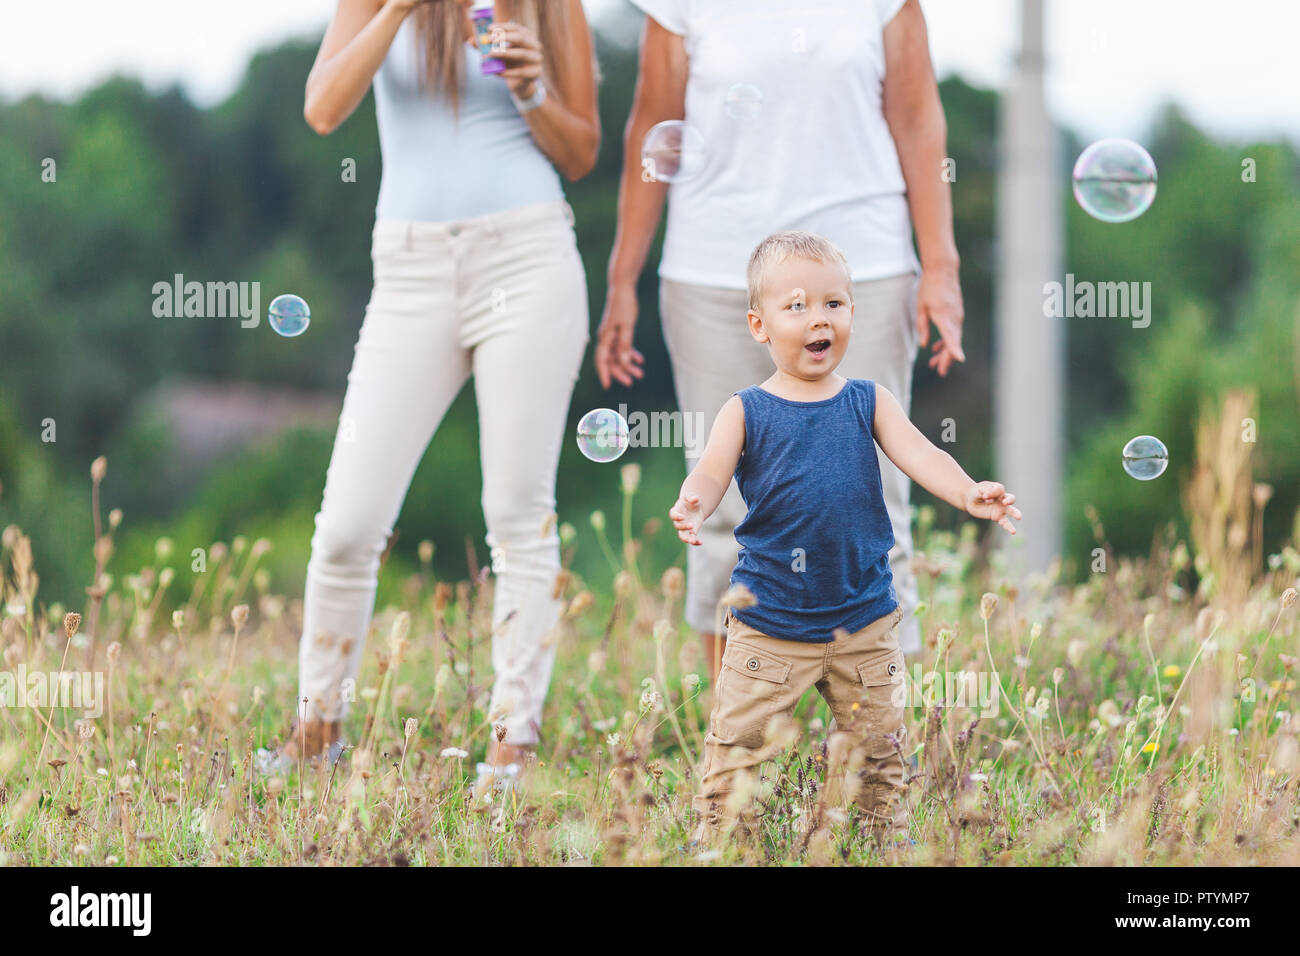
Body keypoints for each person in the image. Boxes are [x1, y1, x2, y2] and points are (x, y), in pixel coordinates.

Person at [266, 0, 600, 786]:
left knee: (518, 514)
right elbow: (322, 108)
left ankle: (512, 745)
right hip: (410, 268)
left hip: (527, 256)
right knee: (347, 524)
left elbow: (581, 150)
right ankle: (318, 732)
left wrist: (532, 92)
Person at [599, 0, 965, 678]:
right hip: (716, 275)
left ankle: (873, 741)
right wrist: (622, 276)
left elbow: (917, 118)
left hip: (863, 273)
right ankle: (739, 745)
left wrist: (940, 266)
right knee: (720, 516)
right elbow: (652, 126)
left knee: (873, 502)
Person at [668, 231, 1019, 843]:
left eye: (833, 303)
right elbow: (712, 468)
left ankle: (885, 845)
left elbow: (921, 453)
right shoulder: (746, 409)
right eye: (796, 305)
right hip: (770, 622)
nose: (818, 319)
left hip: (863, 619)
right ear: (760, 325)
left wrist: (966, 491)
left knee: (881, 756)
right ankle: (718, 847)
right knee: (737, 752)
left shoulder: (868, 401)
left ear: (852, 313)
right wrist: (694, 501)